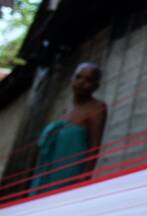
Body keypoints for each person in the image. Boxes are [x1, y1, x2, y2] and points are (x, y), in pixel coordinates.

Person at [30, 62, 108, 191]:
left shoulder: (97, 108)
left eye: (88, 80)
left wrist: (84, 178)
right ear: (71, 79)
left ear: (96, 86)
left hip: (70, 175)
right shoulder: (67, 110)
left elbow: (95, 147)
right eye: (78, 77)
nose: (81, 82)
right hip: (45, 173)